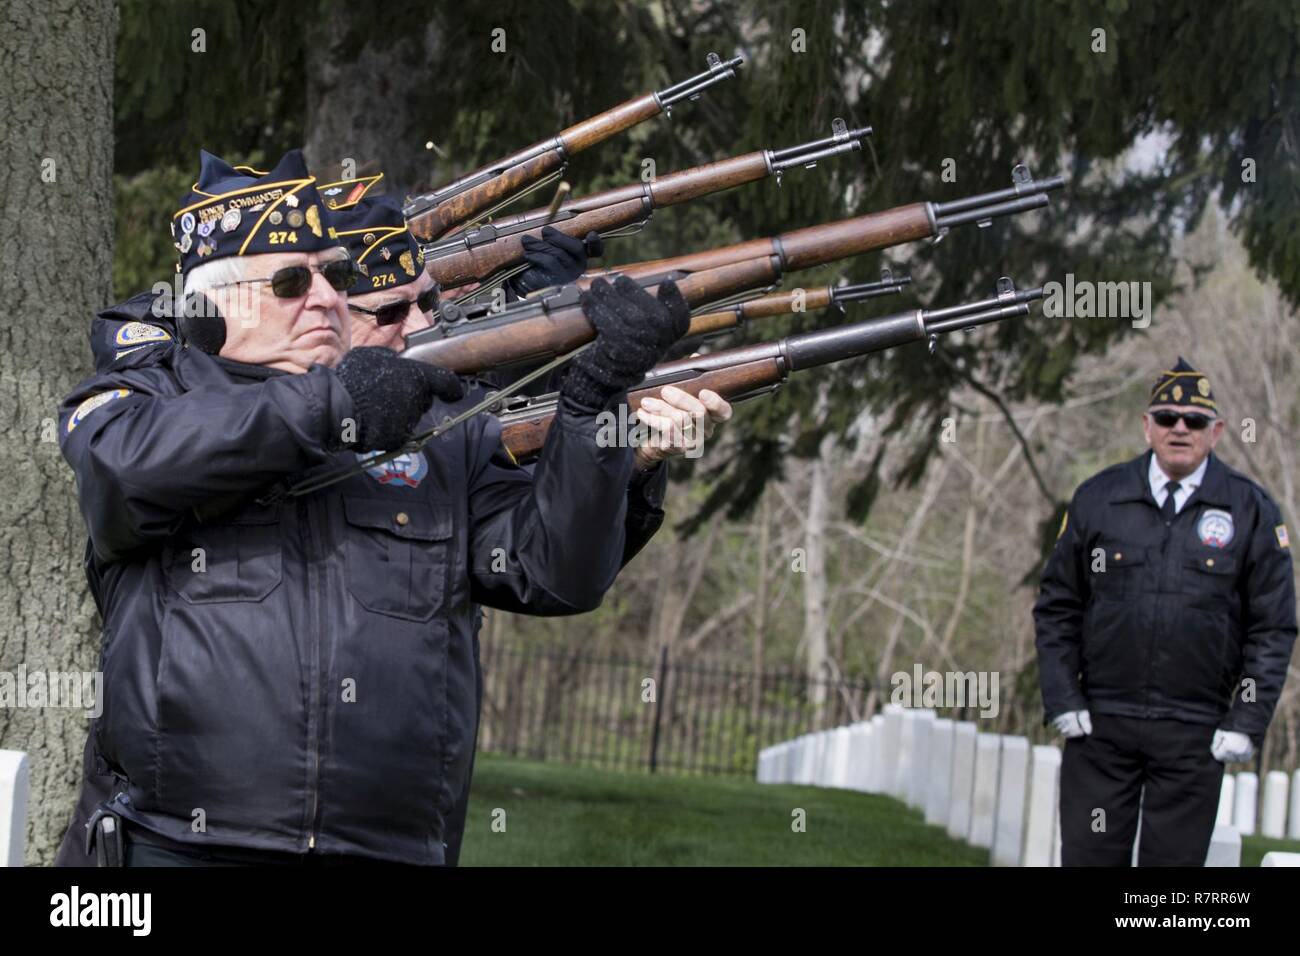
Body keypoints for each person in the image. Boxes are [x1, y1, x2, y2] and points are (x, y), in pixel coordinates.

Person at [54, 148, 690, 866]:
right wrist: (333, 406)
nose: (326, 298)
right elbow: (122, 473)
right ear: (212, 305)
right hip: (175, 849)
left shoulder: (437, 422)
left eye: (338, 276)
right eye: (293, 281)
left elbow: (554, 573)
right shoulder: (144, 403)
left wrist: (592, 404)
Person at [1034, 357, 1296, 866]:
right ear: (1146, 426)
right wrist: (1063, 696)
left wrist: (1247, 718)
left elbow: (1273, 626)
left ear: (1216, 431)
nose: (1180, 428)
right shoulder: (1099, 498)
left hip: (1194, 732)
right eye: (1167, 417)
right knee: (1089, 857)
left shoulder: (1250, 510)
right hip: (1101, 726)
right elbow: (1058, 608)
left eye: (1194, 420)